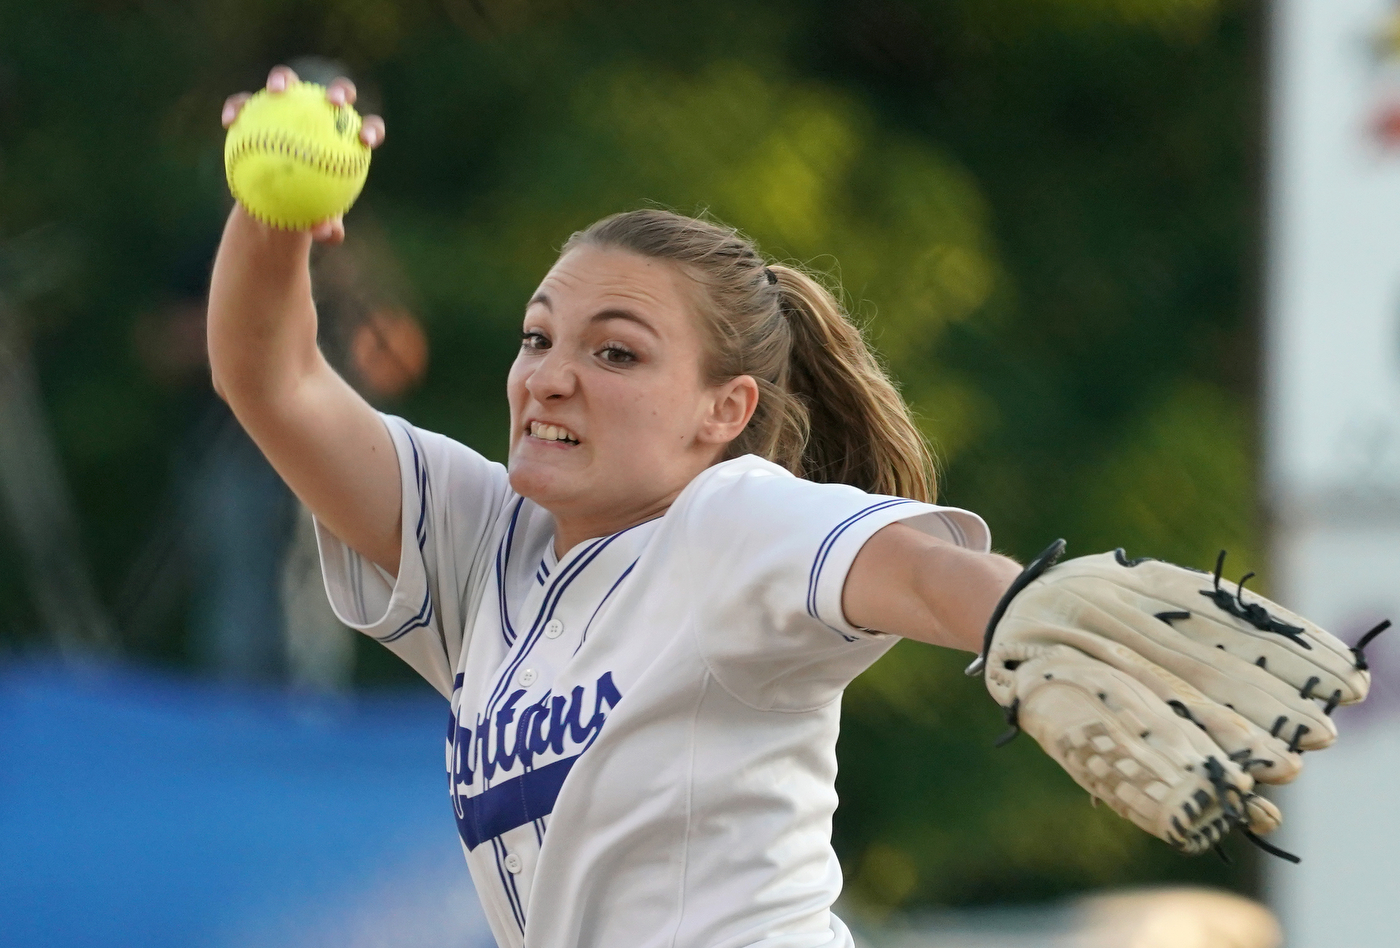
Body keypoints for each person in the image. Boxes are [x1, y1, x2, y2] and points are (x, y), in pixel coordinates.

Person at [208, 66, 1030, 948]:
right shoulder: (485, 546)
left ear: (726, 411)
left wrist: (1035, 621)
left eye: (616, 354)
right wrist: (275, 220)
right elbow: (274, 380)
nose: (550, 378)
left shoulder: (731, 521)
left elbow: (923, 572)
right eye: (538, 337)